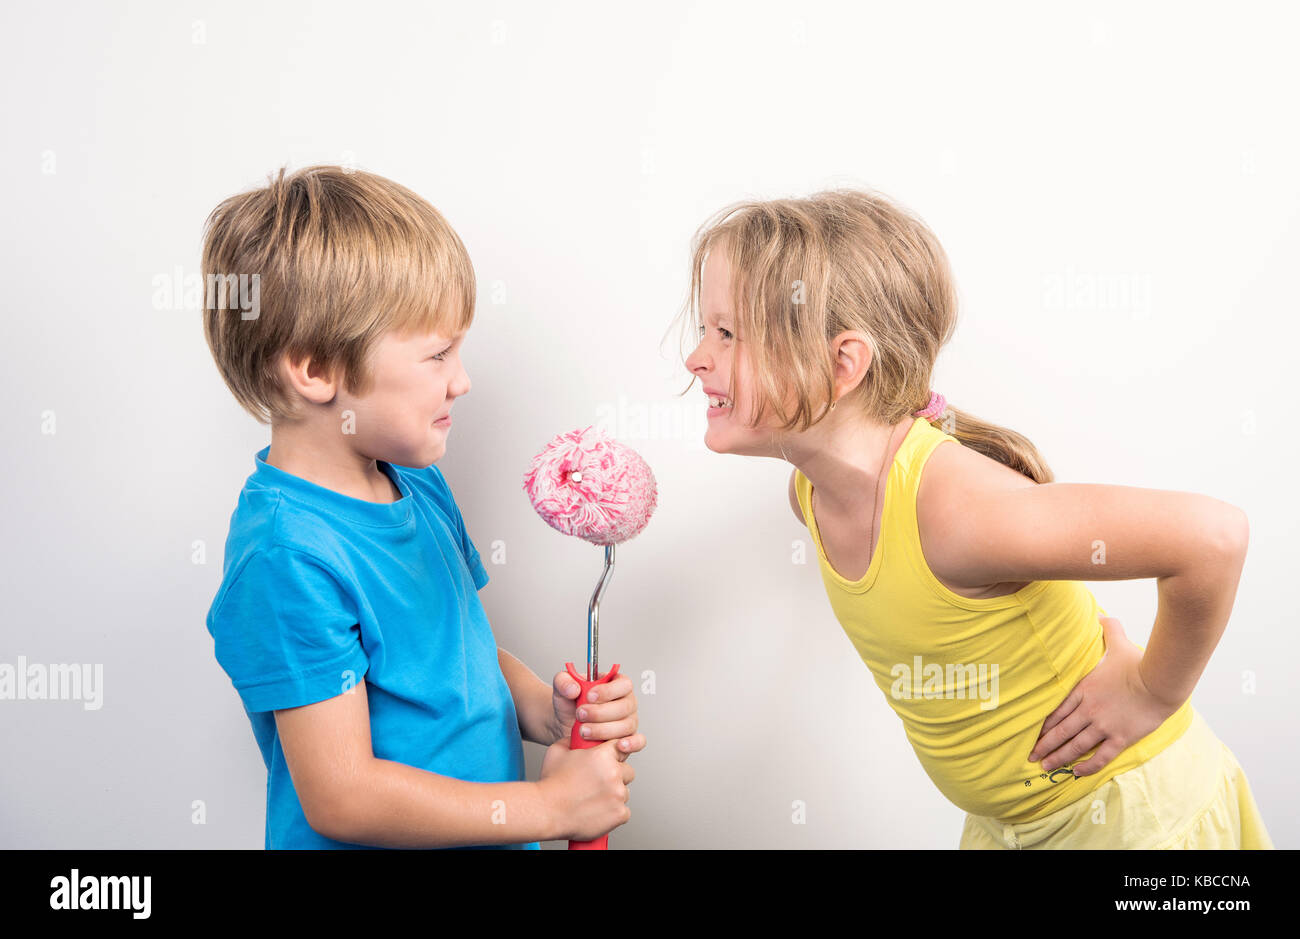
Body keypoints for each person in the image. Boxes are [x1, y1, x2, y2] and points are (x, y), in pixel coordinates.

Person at [676, 188, 1272, 849]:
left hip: (1130, 816)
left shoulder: (954, 508)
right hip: (1014, 826)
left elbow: (1214, 537)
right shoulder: (810, 494)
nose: (696, 356)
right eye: (705, 329)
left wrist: (1153, 691)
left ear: (843, 364)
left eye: (726, 334)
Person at [202, 165, 644, 849]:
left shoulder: (414, 480)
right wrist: (551, 807)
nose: (462, 381)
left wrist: (551, 713)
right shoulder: (286, 554)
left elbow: (465, 656)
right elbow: (343, 797)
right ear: (316, 369)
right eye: (437, 354)